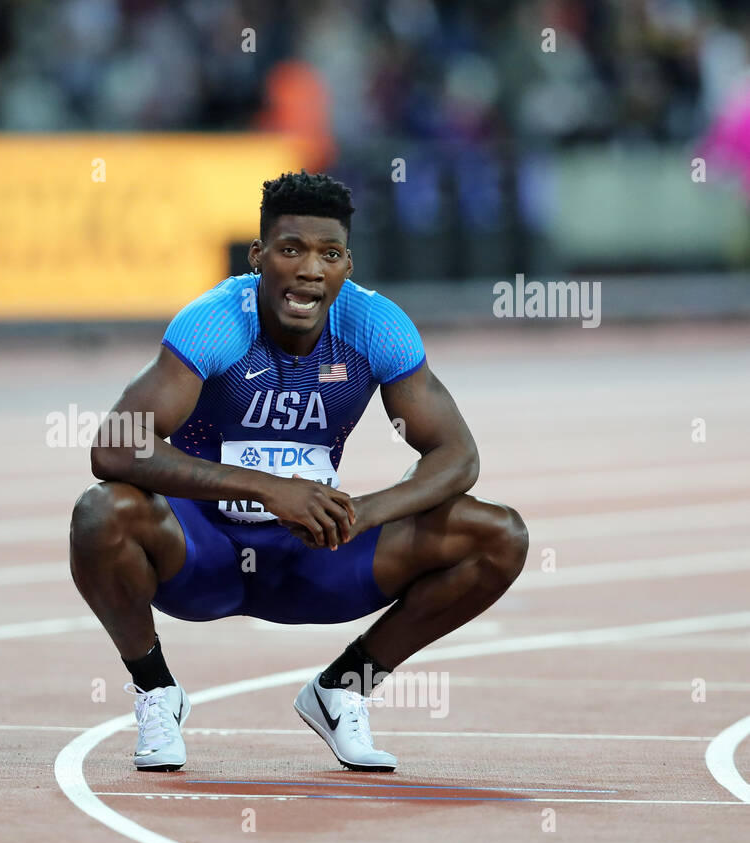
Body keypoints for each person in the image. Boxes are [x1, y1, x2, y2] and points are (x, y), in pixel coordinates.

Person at [68, 170, 528, 773]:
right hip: (203, 554)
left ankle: (343, 688)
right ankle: (156, 691)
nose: (310, 269)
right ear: (259, 256)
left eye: (329, 254)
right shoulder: (216, 322)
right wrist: (264, 487)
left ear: (347, 265)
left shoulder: (374, 326)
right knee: (100, 513)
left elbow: (456, 455)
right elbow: (114, 448)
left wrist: (365, 512)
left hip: (316, 553)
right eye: (291, 250)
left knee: (498, 535)